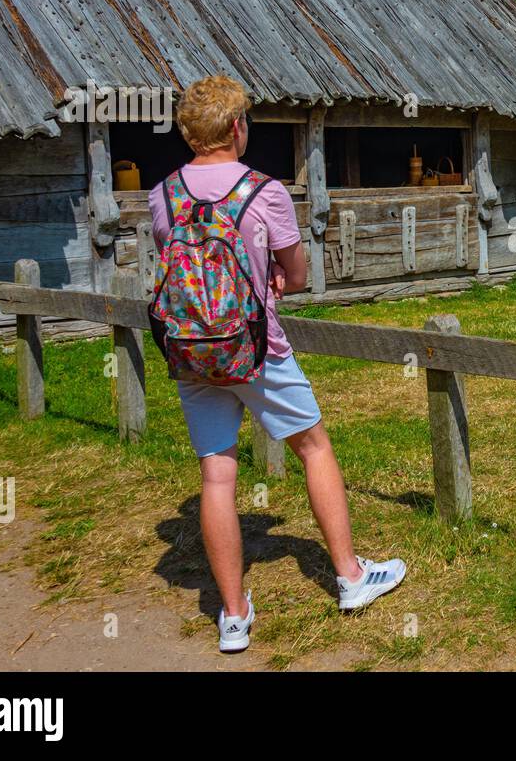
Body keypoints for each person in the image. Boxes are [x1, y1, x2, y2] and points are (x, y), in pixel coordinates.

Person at [149, 75, 406, 654]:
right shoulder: (263, 192)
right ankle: (351, 576)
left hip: (192, 352)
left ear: (189, 131)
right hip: (257, 349)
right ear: (238, 127)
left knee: (217, 471)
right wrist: (272, 281)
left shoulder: (161, 194)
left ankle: (234, 617)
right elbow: (294, 273)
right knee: (313, 446)